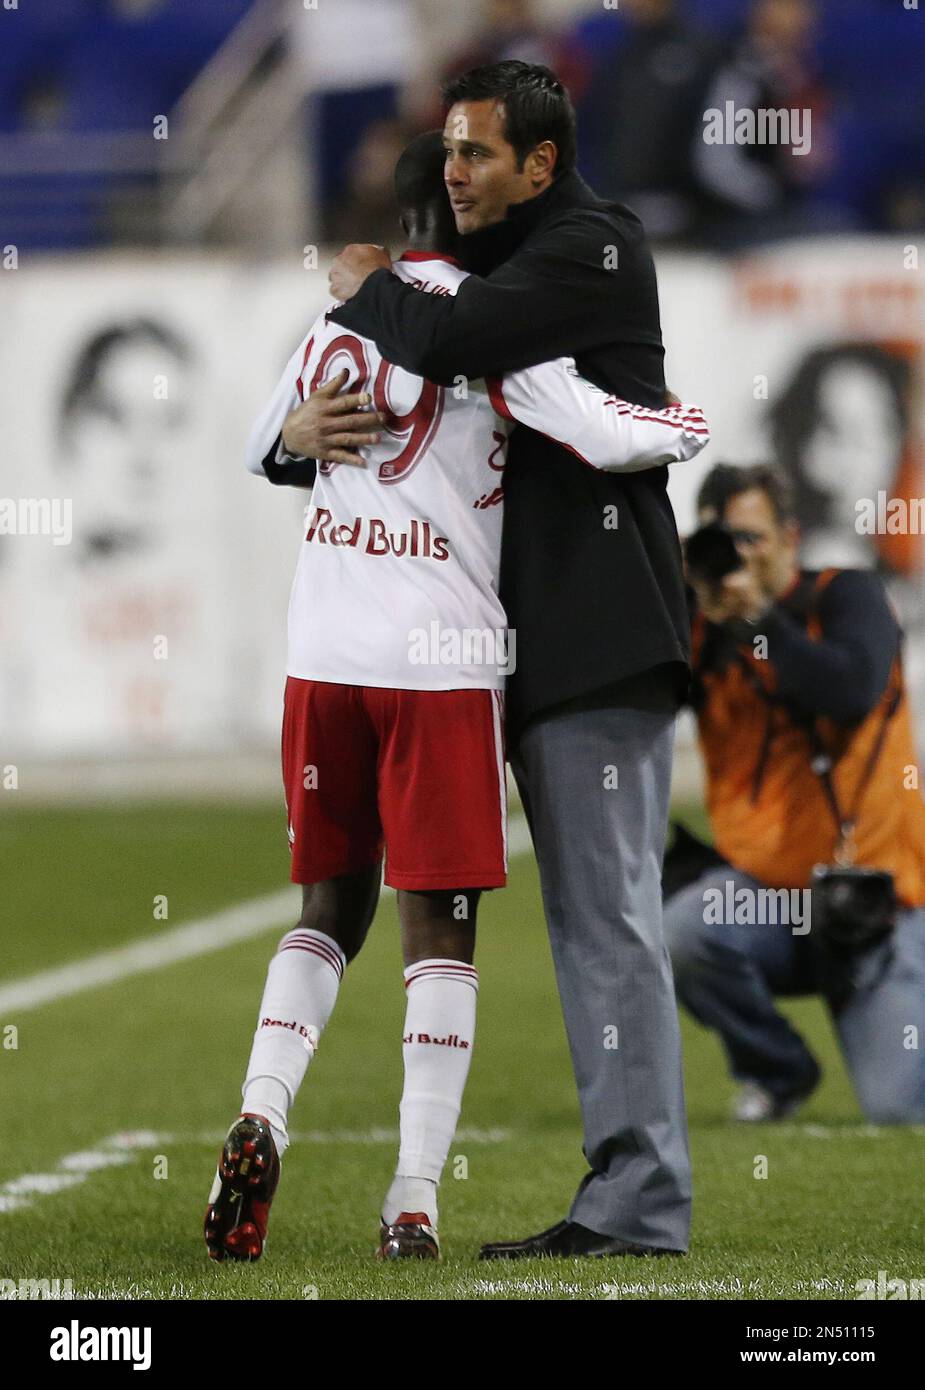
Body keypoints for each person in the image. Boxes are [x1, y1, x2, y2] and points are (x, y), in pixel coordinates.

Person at [204, 130, 708, 1264]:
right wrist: (686, 422)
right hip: (437, 662)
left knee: (326, 907)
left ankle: (262, 1108)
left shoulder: (335, 327)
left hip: (323, 653)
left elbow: (257, 447)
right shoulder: (491, 335)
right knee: (442, 933)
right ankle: (414, 1197)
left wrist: (294, 433)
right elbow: (596, 431)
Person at [664, 463, 925, 1123]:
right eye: (723, 542)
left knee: (900, 1111)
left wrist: (758, 621)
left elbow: (844, 692)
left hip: (876, 902)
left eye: (751, 539)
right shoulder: (701, 630)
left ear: (789, 536)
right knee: (685, 929)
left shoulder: (845, 598)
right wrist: (673, 601)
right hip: (771, 904)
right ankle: (778, 1072)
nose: (740, 558)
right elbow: (635, 703)